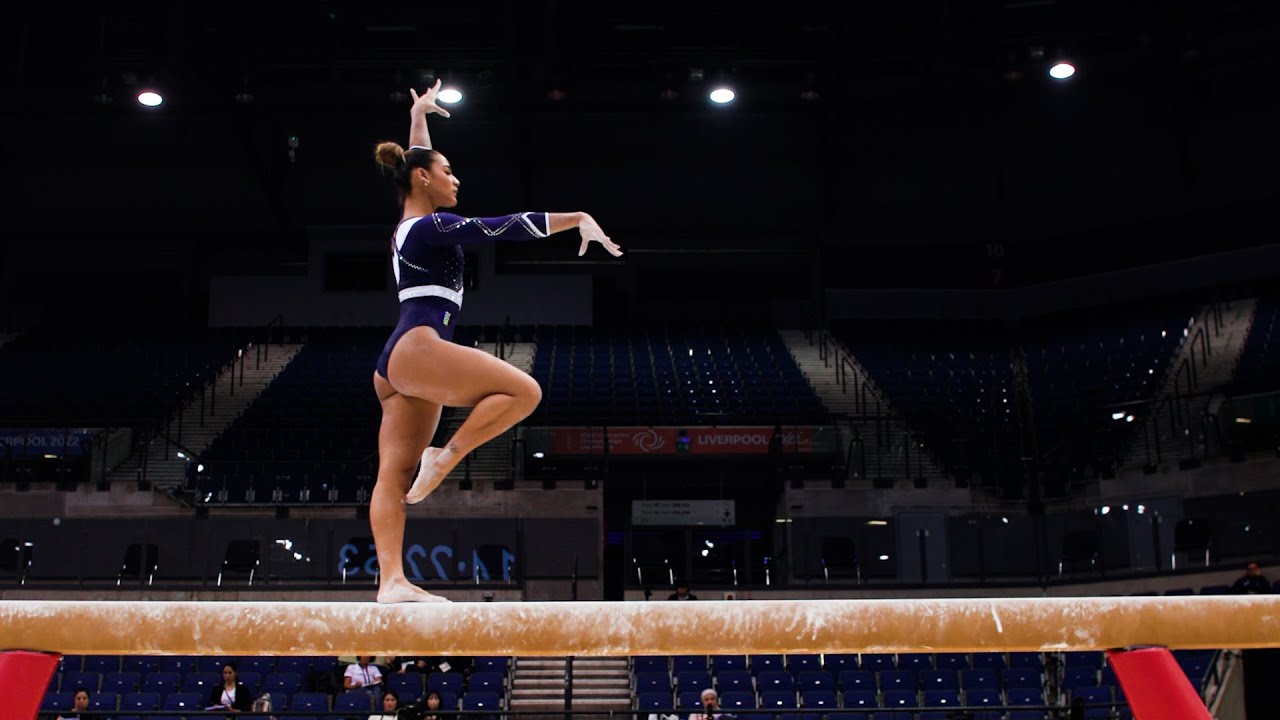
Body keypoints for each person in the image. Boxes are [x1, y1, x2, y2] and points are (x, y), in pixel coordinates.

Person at [368, 80, 623, 603]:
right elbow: (502, 227)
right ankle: (447, 457)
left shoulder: (409, 224)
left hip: (398, 363)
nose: (456, 178)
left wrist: (418, 116)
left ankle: (390, 581)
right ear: (424, 178)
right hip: (418, 346)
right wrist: (576, 218)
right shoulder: (432, 227)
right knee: (524, 392)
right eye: (447, 171)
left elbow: (415, 161)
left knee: (393, 475)